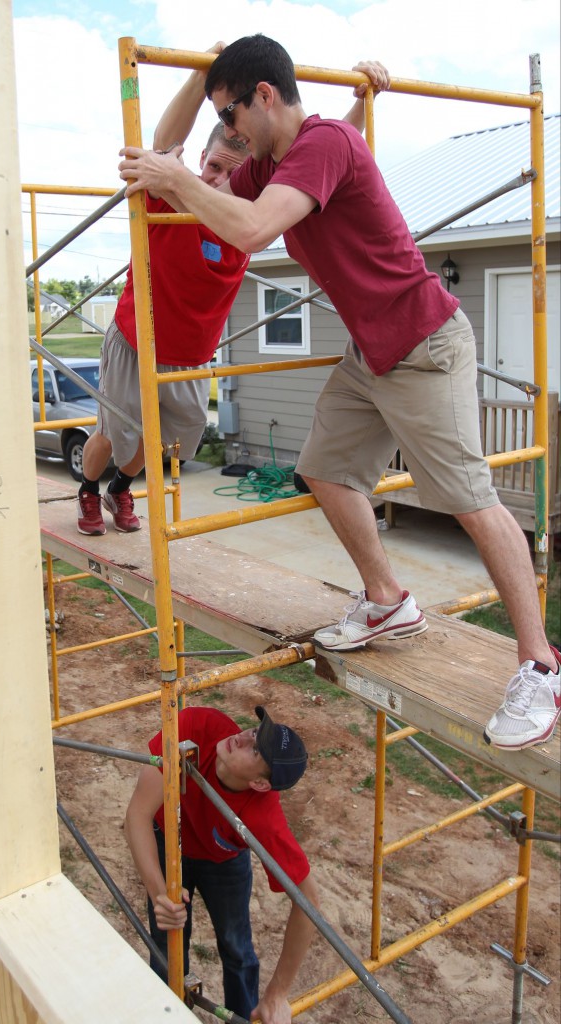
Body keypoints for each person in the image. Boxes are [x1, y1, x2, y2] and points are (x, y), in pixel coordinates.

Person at [117, 34, 560, 752]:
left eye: (229, 116)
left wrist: (177, 181)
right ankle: (387, 601)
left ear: (264, 95)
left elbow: (255, 223)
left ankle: (540, 665)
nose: (226, 135)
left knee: (471, 501)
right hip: (370, 351)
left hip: (422, 343)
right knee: (324, 469)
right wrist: (189, 118)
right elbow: (190, 173)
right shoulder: (283, 159)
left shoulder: (318, 144)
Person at [78, 44, 385, 537]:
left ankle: (120, 487)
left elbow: (321, 157)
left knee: (168, 439)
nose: (217, 179)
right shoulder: (170, 195)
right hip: (139, 339)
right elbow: (162, 143)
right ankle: (90, 489)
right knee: (117, 434)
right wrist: (204, 74)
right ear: (197, 161)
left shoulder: (246, 211)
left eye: (228, 172)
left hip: (190, 354)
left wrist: (364, 102)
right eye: (212, 167)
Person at [125, 704, 316, 1024]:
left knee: (237, 947)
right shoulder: (197, 725)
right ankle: (167, 1014)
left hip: (224, 860)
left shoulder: (262, 817)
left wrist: (278, 994)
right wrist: (159, 892)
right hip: (168, 840)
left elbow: (308, 898)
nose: (242, 738)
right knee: (166, 942)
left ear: (260, 784)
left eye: (256, 751)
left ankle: (245, 1016)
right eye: (255, 732)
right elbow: (138, 814)